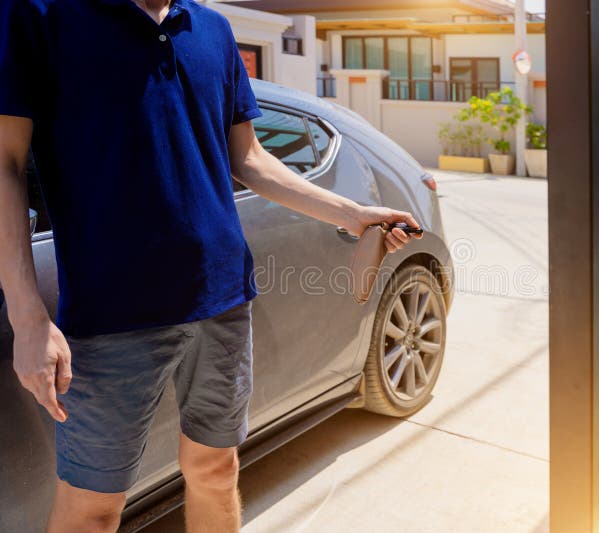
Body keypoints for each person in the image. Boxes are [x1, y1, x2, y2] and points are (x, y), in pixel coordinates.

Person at [0, 0, 423, 531]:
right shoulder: (40, 16)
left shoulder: (213, 31)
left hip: (222, 300)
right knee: (93, 508)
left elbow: (248, 158)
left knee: (215, 470)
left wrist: (355, 213)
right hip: (109, 314)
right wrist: (27, 316)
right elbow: (6, 161)